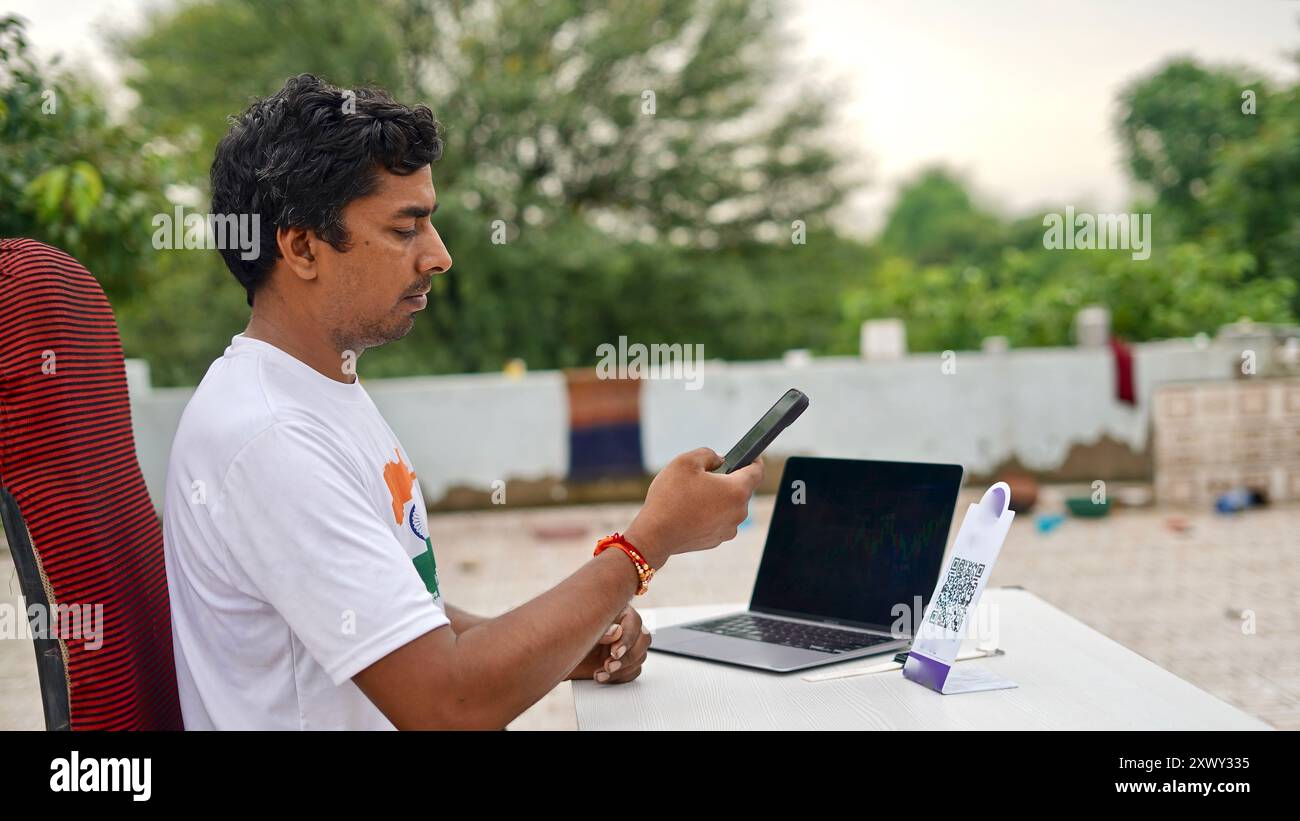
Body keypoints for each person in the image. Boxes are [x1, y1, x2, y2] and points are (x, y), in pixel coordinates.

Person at [162, 74, 763, 730]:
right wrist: (647, 544)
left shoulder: (316, 391)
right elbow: (447, 704)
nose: (440, 256)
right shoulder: (270, 437)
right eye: (406, 227)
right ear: (303, 246)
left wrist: (561, 646)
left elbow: (393, 615)